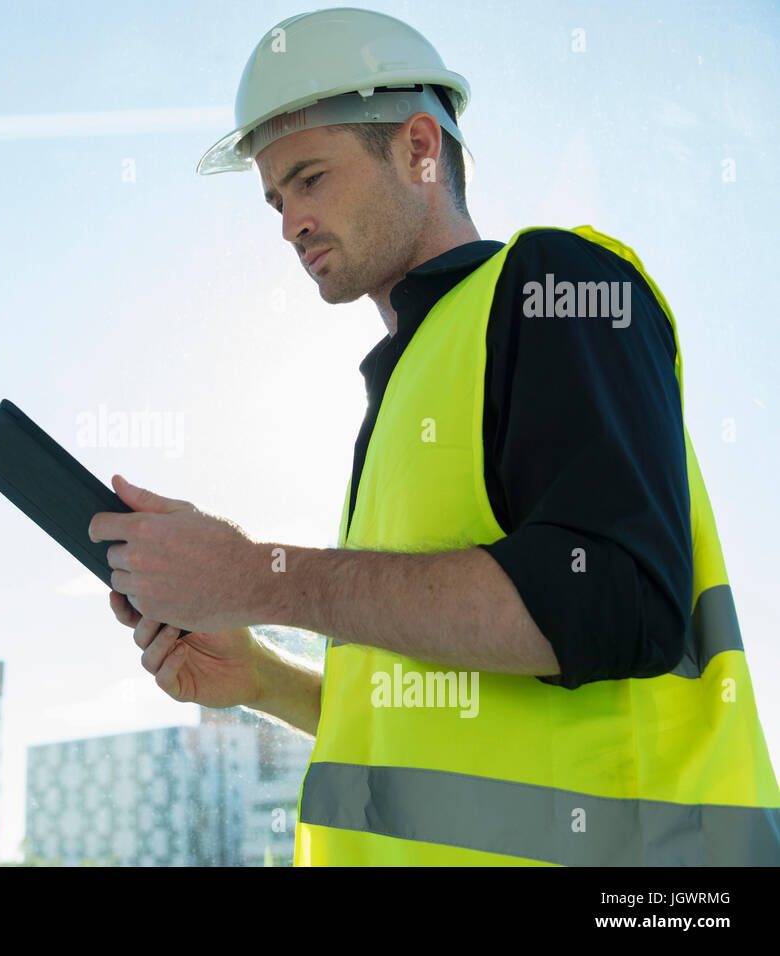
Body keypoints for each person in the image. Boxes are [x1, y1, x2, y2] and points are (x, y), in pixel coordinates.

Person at [88, 7, 780, 865]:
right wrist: (263, 677)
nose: (287, 223)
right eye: (273, 198)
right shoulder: (402, 395)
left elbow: (613, 600)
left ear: (420, 147)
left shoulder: (553, 285)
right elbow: (440, 711)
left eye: (309, 178)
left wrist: (250, 577)